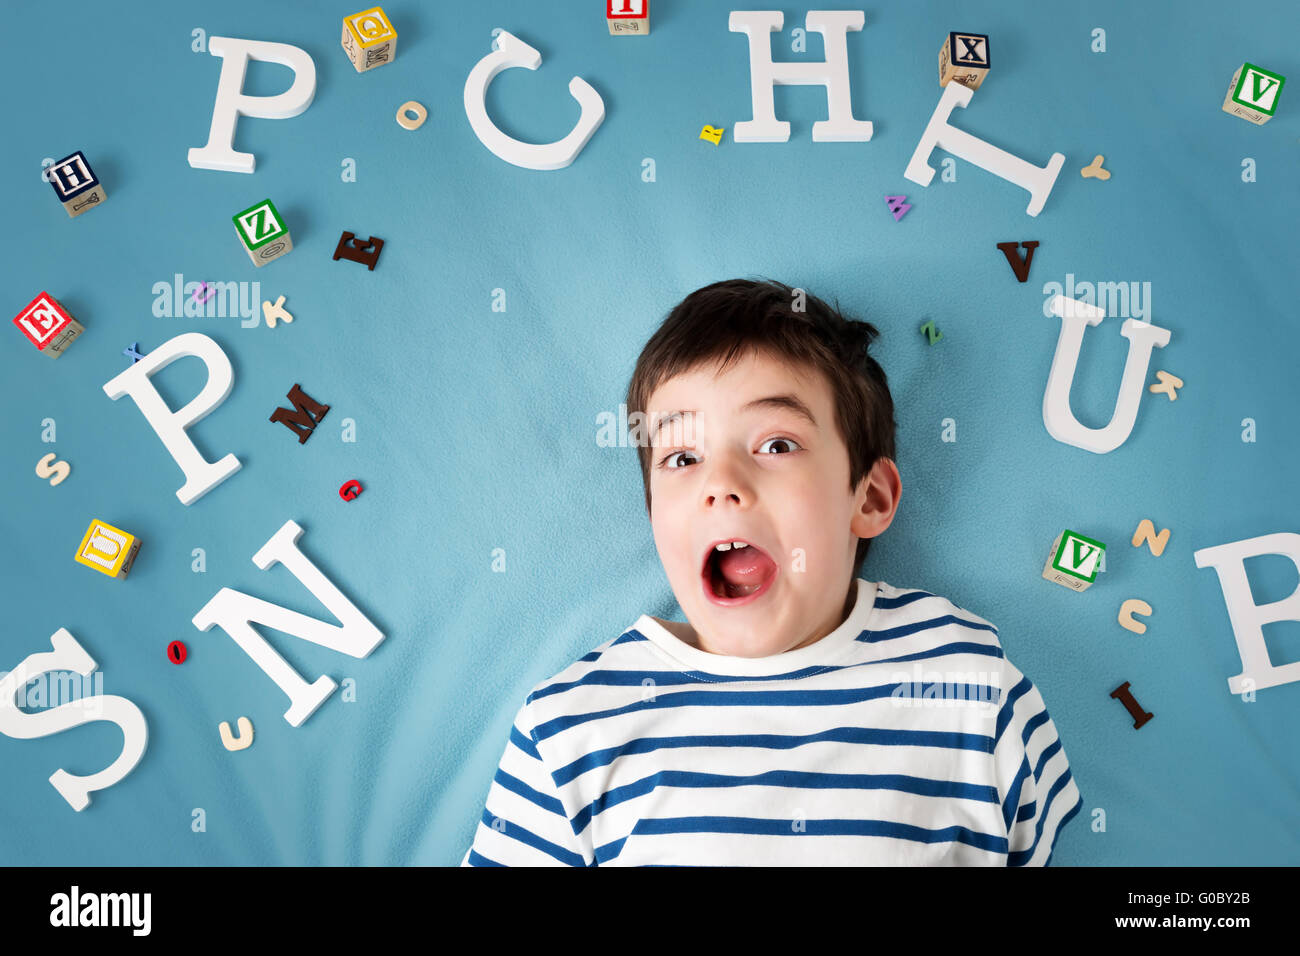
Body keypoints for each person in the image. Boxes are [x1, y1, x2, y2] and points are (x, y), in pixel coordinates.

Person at [461, 278, 1082, 865]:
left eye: (776, 445)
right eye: (682, 456)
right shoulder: (571, 727)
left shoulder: (968, 680)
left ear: (868, 499)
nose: (722, 484)